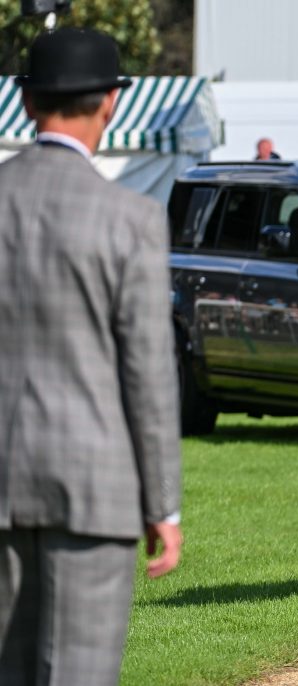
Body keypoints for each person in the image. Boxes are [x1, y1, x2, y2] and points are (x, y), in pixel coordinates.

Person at [0, 28, 183, 686]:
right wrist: (163, 505)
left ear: (27, 103)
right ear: (110, 102)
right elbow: (148, 374)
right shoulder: (130, 218)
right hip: (93, 486)